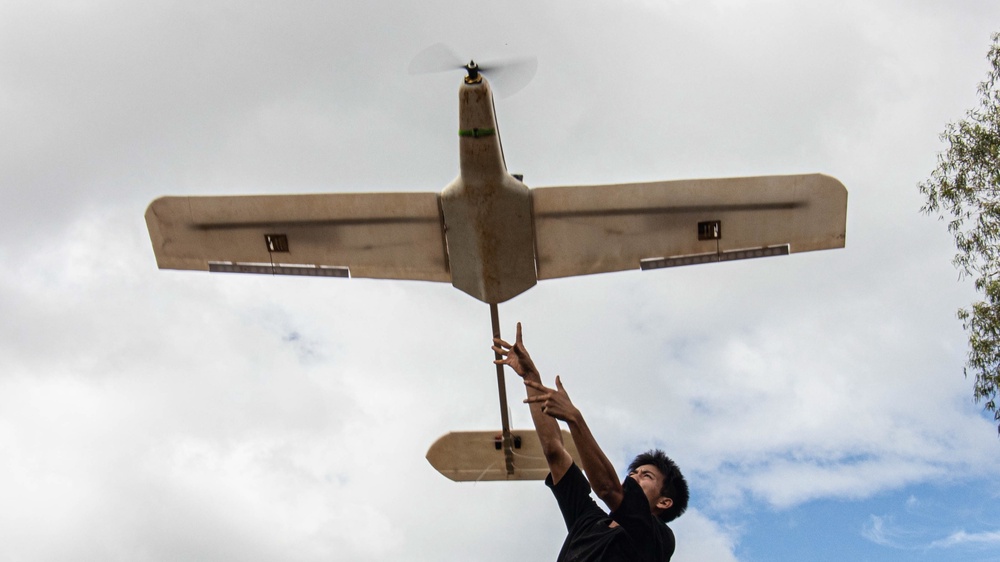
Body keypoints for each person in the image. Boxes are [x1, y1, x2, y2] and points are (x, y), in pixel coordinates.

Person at [493, 323, 688, 562]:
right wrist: (530, 377)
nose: (634, 476)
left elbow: (608, 488)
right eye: (634, 472)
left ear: (665, 502)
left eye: (646, 475)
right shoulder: (588, 521)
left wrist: (575, 419)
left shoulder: (657, 539)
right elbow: (554, 451)